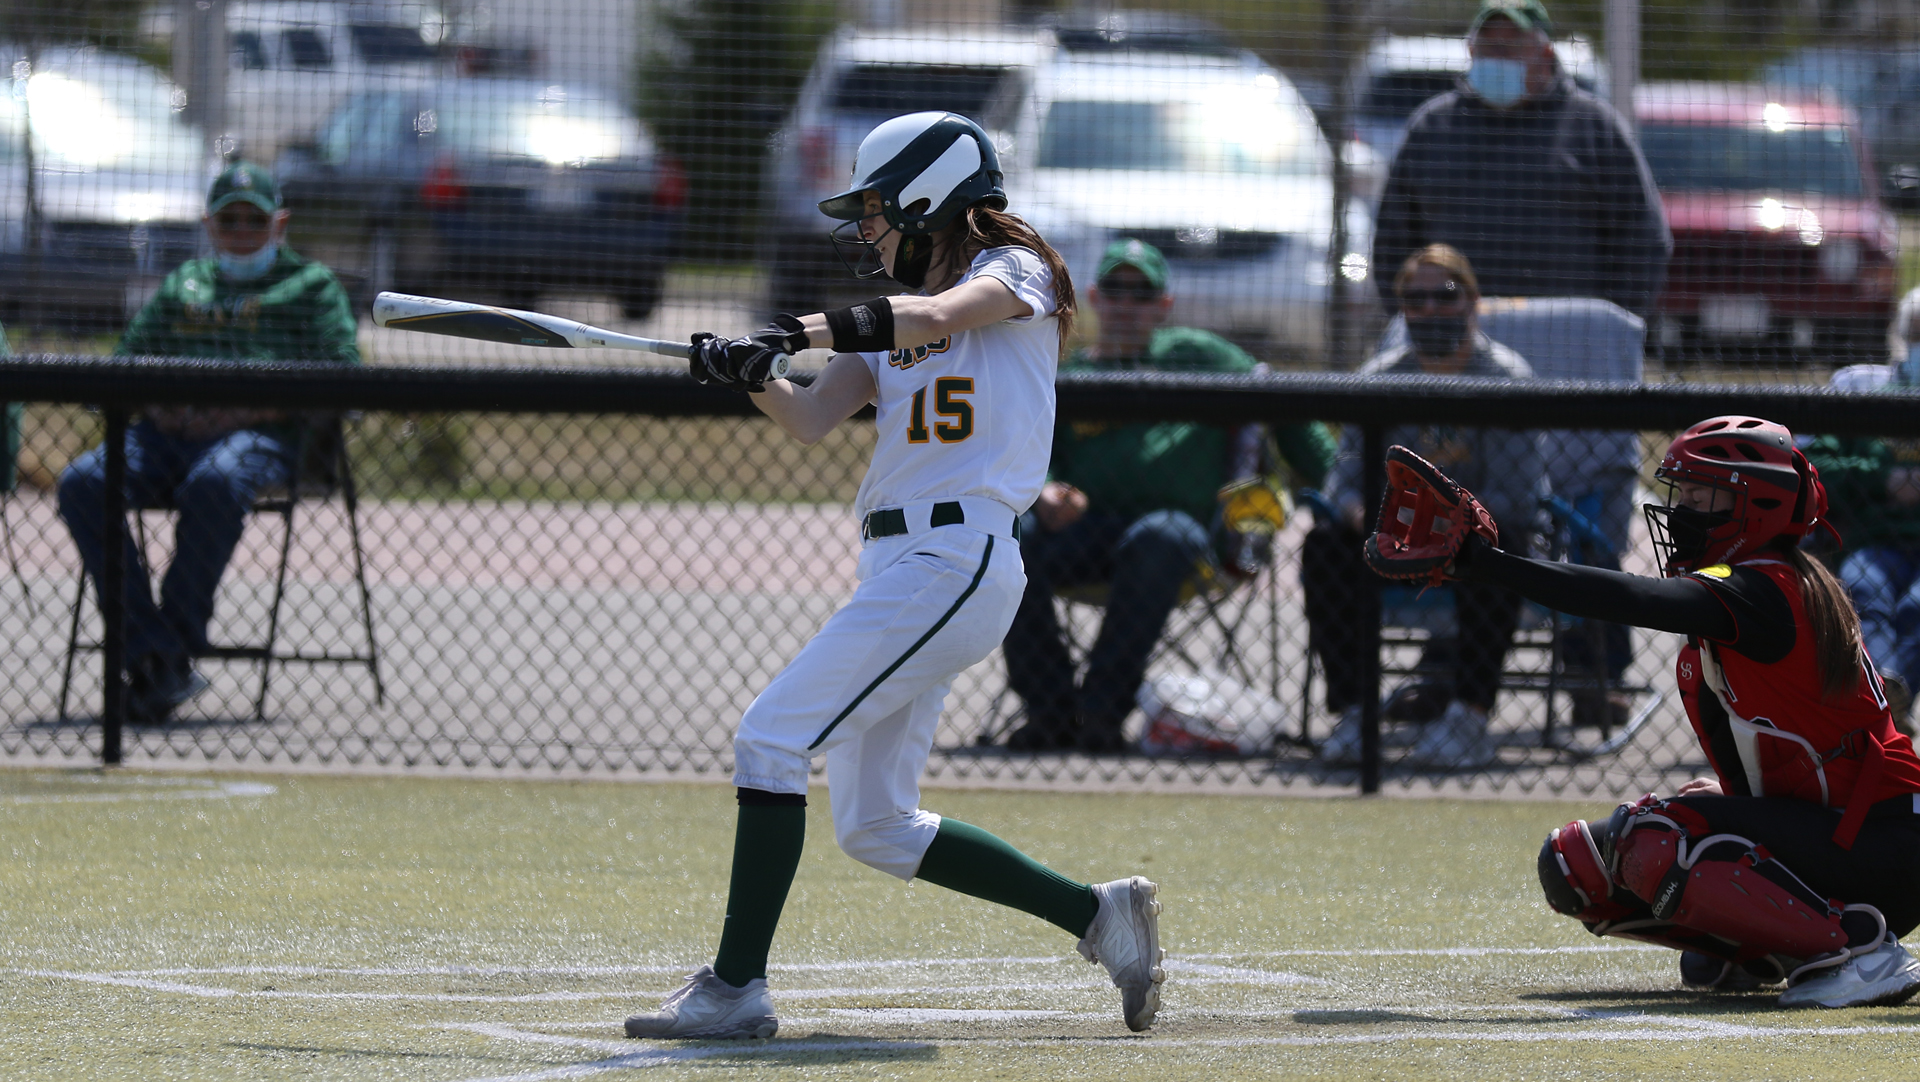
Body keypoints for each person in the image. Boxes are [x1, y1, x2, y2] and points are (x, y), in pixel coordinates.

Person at [621, 112, 1164, 1041]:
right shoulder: (887, 322)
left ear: (929, 193)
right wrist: (746, 369)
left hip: (957, 556)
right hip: (902, 564)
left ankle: (736, 986)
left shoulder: (1016, 271)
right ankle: (1096, 914)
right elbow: (808, 417)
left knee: (770, 739)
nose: (867, 229)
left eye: (875, 209)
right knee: (874, 824)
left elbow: (943, 316)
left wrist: (795, 327)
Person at [1369, 417, 1920, 1009]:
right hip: (1843, 833)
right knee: (1577, 864)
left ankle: (1857, 948)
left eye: (1700, 497)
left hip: (1884, 841)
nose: (1679, 512)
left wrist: (1490, 563)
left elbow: (1627, 597)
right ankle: (1767, 947)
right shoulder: (1764, 588)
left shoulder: (1768, 591)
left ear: (1754, 505)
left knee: (1657, 840)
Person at [1002, 237, 1336, 754]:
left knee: (1159, 535)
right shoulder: (1070, 375)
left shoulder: (1197, 355)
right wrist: (1047, 491)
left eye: (1142, 293)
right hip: (1089, 534)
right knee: (1004, 540)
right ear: (1094, 297)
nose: (1127, 304)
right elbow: (1036, 459)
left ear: (1164, 305)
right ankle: (1049, 710)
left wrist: (1337, 480)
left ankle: (1101, 714)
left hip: (1187, 540)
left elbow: (1279, 397)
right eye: (1116, 290)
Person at [56, 162, 360, 721]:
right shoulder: (182, 284)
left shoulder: (312, 287)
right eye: (229, 220)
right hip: (163, 436)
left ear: (280, 223)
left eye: (255, 220)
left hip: (264, 440)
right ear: (208, 224)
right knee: (82, 481)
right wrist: (163, 404)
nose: (242, 231)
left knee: (215, 482)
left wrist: (251, 406)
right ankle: (159, 656)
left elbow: (344, 377)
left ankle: (163, 657)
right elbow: (125, 363)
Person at [1304, 244, 1545, 769]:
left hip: (1473, 543)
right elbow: (1341, 483)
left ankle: (1468, 717)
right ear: (1402, 310)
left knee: (1509, 546)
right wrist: (1357, 513)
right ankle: (1355, 712)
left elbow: (1518, 496)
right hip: (1396, 542)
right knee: (1323, 545)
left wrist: (1449, 525)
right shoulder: (1380, 379)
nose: (1431, 309)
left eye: (1446, 296)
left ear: (1473, 302)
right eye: (1416, 299)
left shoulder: (1506, 379)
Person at [1372, 0, 1670, 322]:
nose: (1497, 57)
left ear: (1545, 53)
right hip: (1453, 344)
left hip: (1568, 342)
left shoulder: (1594, 127)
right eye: (1487, 46)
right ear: (1471, 52)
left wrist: (1611, 325)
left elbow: (1644, 239)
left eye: (1511, 45)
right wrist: (1415, 321)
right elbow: (1393, 240)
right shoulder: (1431, 127)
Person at [1807, 298, 1920, 729]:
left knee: (1916, 608)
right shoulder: (1868, 401)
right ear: (1902, 339)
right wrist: (1884, 479)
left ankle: (1885, 708)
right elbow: (1820, 464)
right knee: (1863, 592)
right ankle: (1885, 697)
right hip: (1874, 542)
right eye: (1916, 336)